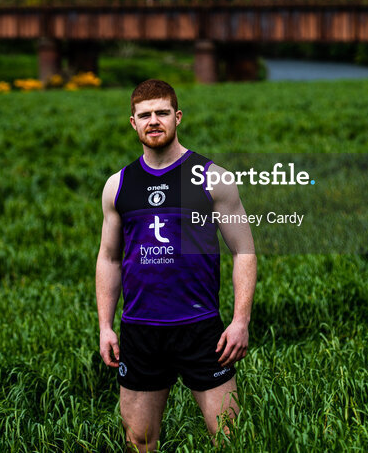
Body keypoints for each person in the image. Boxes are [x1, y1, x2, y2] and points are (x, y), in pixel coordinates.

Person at [96, 79, 257, 452]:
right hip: (140, 330)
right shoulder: (118, 185)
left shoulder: (211, 177)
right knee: (139, 440)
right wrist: (105, 326)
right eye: (145, 115)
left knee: (232, 439)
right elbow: (108, 258)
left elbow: (244, 251)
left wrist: (240, 321)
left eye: (162, 113)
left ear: (178, 117)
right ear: (133, 123)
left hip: (201, 328)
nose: (154, 121)